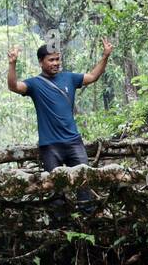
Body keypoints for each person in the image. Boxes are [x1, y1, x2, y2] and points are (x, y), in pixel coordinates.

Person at [8, 40, 112, 171]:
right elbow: (13, 86)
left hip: (73, 142)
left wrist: (105, 56)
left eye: (57, 59)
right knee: (55, 189)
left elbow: (93, 76)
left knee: (84, 183)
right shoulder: (34, 84)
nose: (56, 63)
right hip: (49, 146)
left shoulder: (69, 78)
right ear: (41, 62)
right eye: (51, 60)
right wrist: (12, 63)